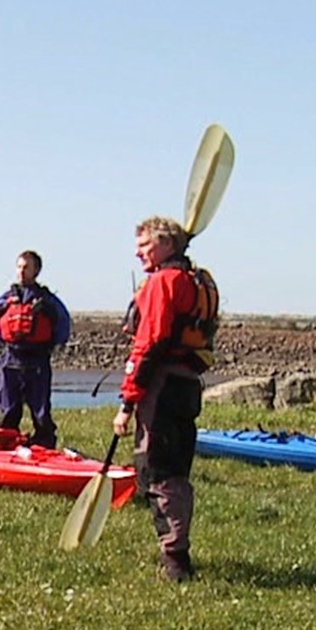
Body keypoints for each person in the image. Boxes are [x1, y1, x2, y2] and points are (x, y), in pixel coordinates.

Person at [113, 217, 208, 582]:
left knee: (158, 471)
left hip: (163, 387)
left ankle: (175, 560)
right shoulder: (193, 280)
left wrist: (127, 403)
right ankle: (177, 549)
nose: (138, 253)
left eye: (145, 245)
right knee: (177, 470)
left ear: (167, 245)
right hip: (187, 385)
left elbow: (149, 346)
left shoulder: (164, 283)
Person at [0, 249, 72, 448]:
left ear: (36, 271)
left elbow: (63, 325)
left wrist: (51, 344)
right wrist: (2, 338)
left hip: (37, 360)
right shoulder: (7, 298)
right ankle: (5, 445)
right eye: (19, 267)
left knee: (40, 411)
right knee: (8, 409)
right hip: (12, 357)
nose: (21, 272)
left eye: (26, 268)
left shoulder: (48, 301)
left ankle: (45, 446)